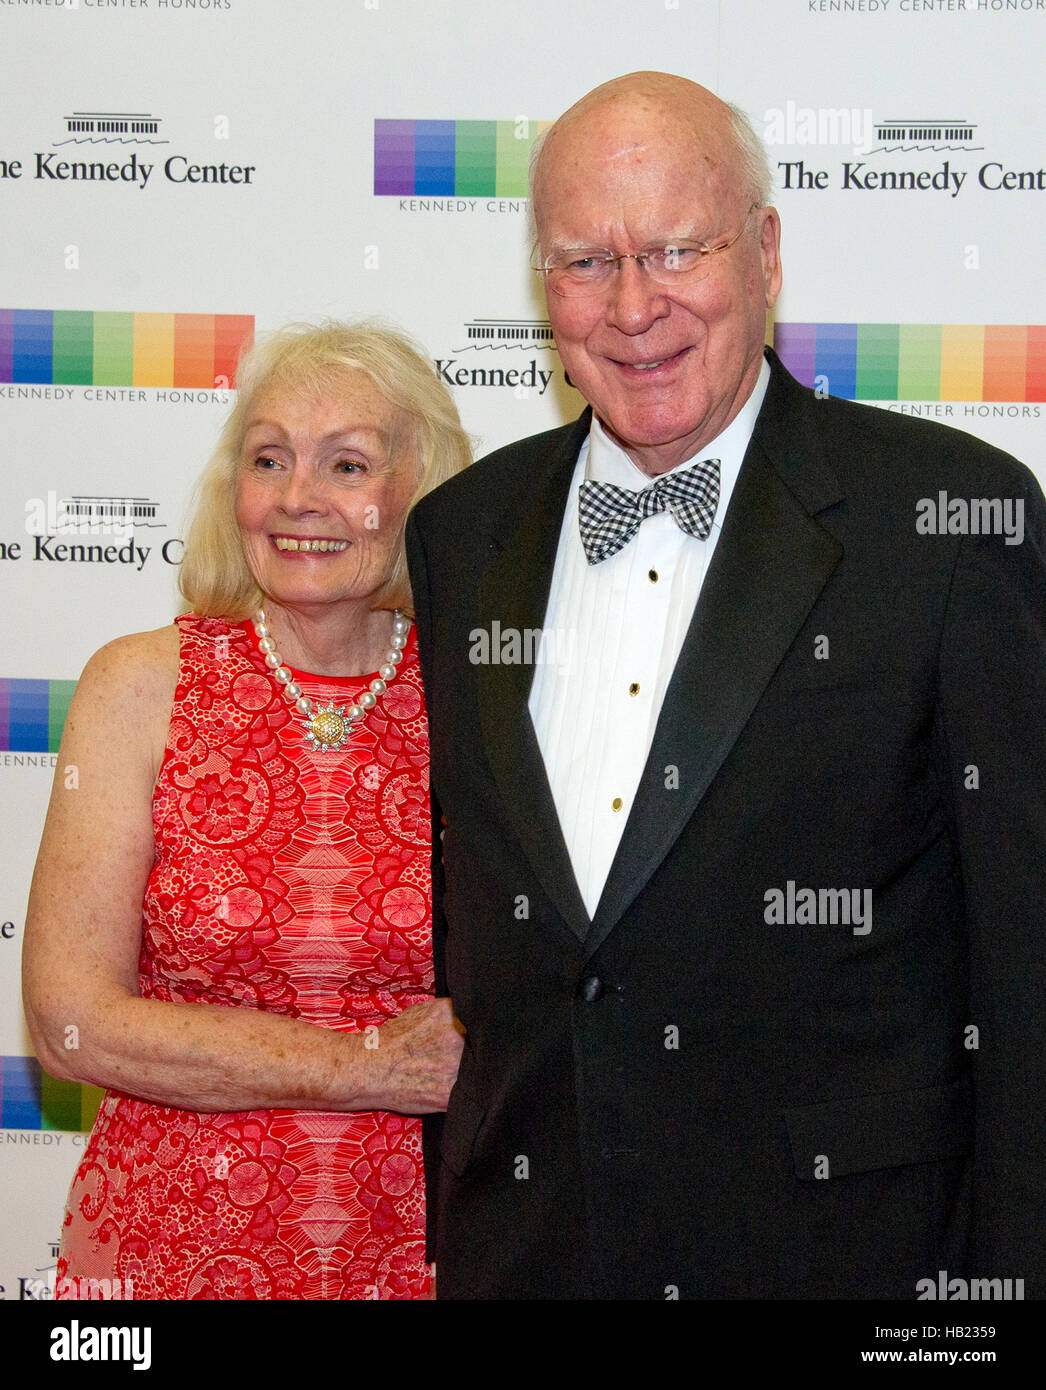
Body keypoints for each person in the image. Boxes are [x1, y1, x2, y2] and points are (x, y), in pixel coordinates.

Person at [405, 72, 1046, 1299]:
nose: (633, 305)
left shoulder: (948, 522)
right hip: (529, 1261)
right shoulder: (460, 534)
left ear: (763, 251)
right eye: (585, 260)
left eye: (675, 250)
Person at [23, 320, 470, 1300]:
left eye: (346, 463)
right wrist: (360, 1065)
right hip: (171, 1248)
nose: (298, 496)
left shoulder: (478, 697)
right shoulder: (139, 686)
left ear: (420, 494)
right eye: (268, 458)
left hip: (422, 1250)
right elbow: (69, 1023)